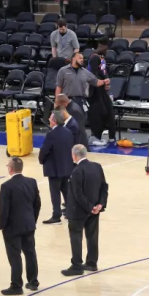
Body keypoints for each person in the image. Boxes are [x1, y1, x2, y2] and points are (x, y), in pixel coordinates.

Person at [61, 145, 108, 276]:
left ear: (74, 156)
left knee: (76, 236)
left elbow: (78, 194)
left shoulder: (77, 171)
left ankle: (77, 265)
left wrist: (90, 207)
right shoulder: (97, 167)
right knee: (92, 236)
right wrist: (100, 204)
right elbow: (104, 187)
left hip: (79, 211)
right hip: (94, 210)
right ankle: (92, 263)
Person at [0, 157, 41, 295]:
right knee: (30, 253)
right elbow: (37, 204)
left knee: (15, 256)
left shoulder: (6, 186)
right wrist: (32, 220)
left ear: (10, 169)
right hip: (28, 224)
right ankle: (33, 282)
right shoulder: (31, 182)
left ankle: (16, 286)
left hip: (12, 228)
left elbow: (4, 209)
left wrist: (1, 225)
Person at [39, 111, 75, 225]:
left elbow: (45, 150)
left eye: (50, 118)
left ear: (54, 120)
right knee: (66, 190)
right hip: (66, 167)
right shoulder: (68, 132)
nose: (49, 119)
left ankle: (56, 215)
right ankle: (71, 213)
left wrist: (41, 160)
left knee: (55, 192)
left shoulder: (51, 134)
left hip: (54, 168)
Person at [86, 54, 116, 144]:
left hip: (102, 96)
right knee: (97, 116)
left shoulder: (100, 72)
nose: (99, 65)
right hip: (93, 98)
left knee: (109, 112)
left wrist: (106, 86)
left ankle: (111, 137)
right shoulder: (87, 73)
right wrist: (104, 82)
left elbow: (105, 86)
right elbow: (94, 83)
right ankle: (95, 137)